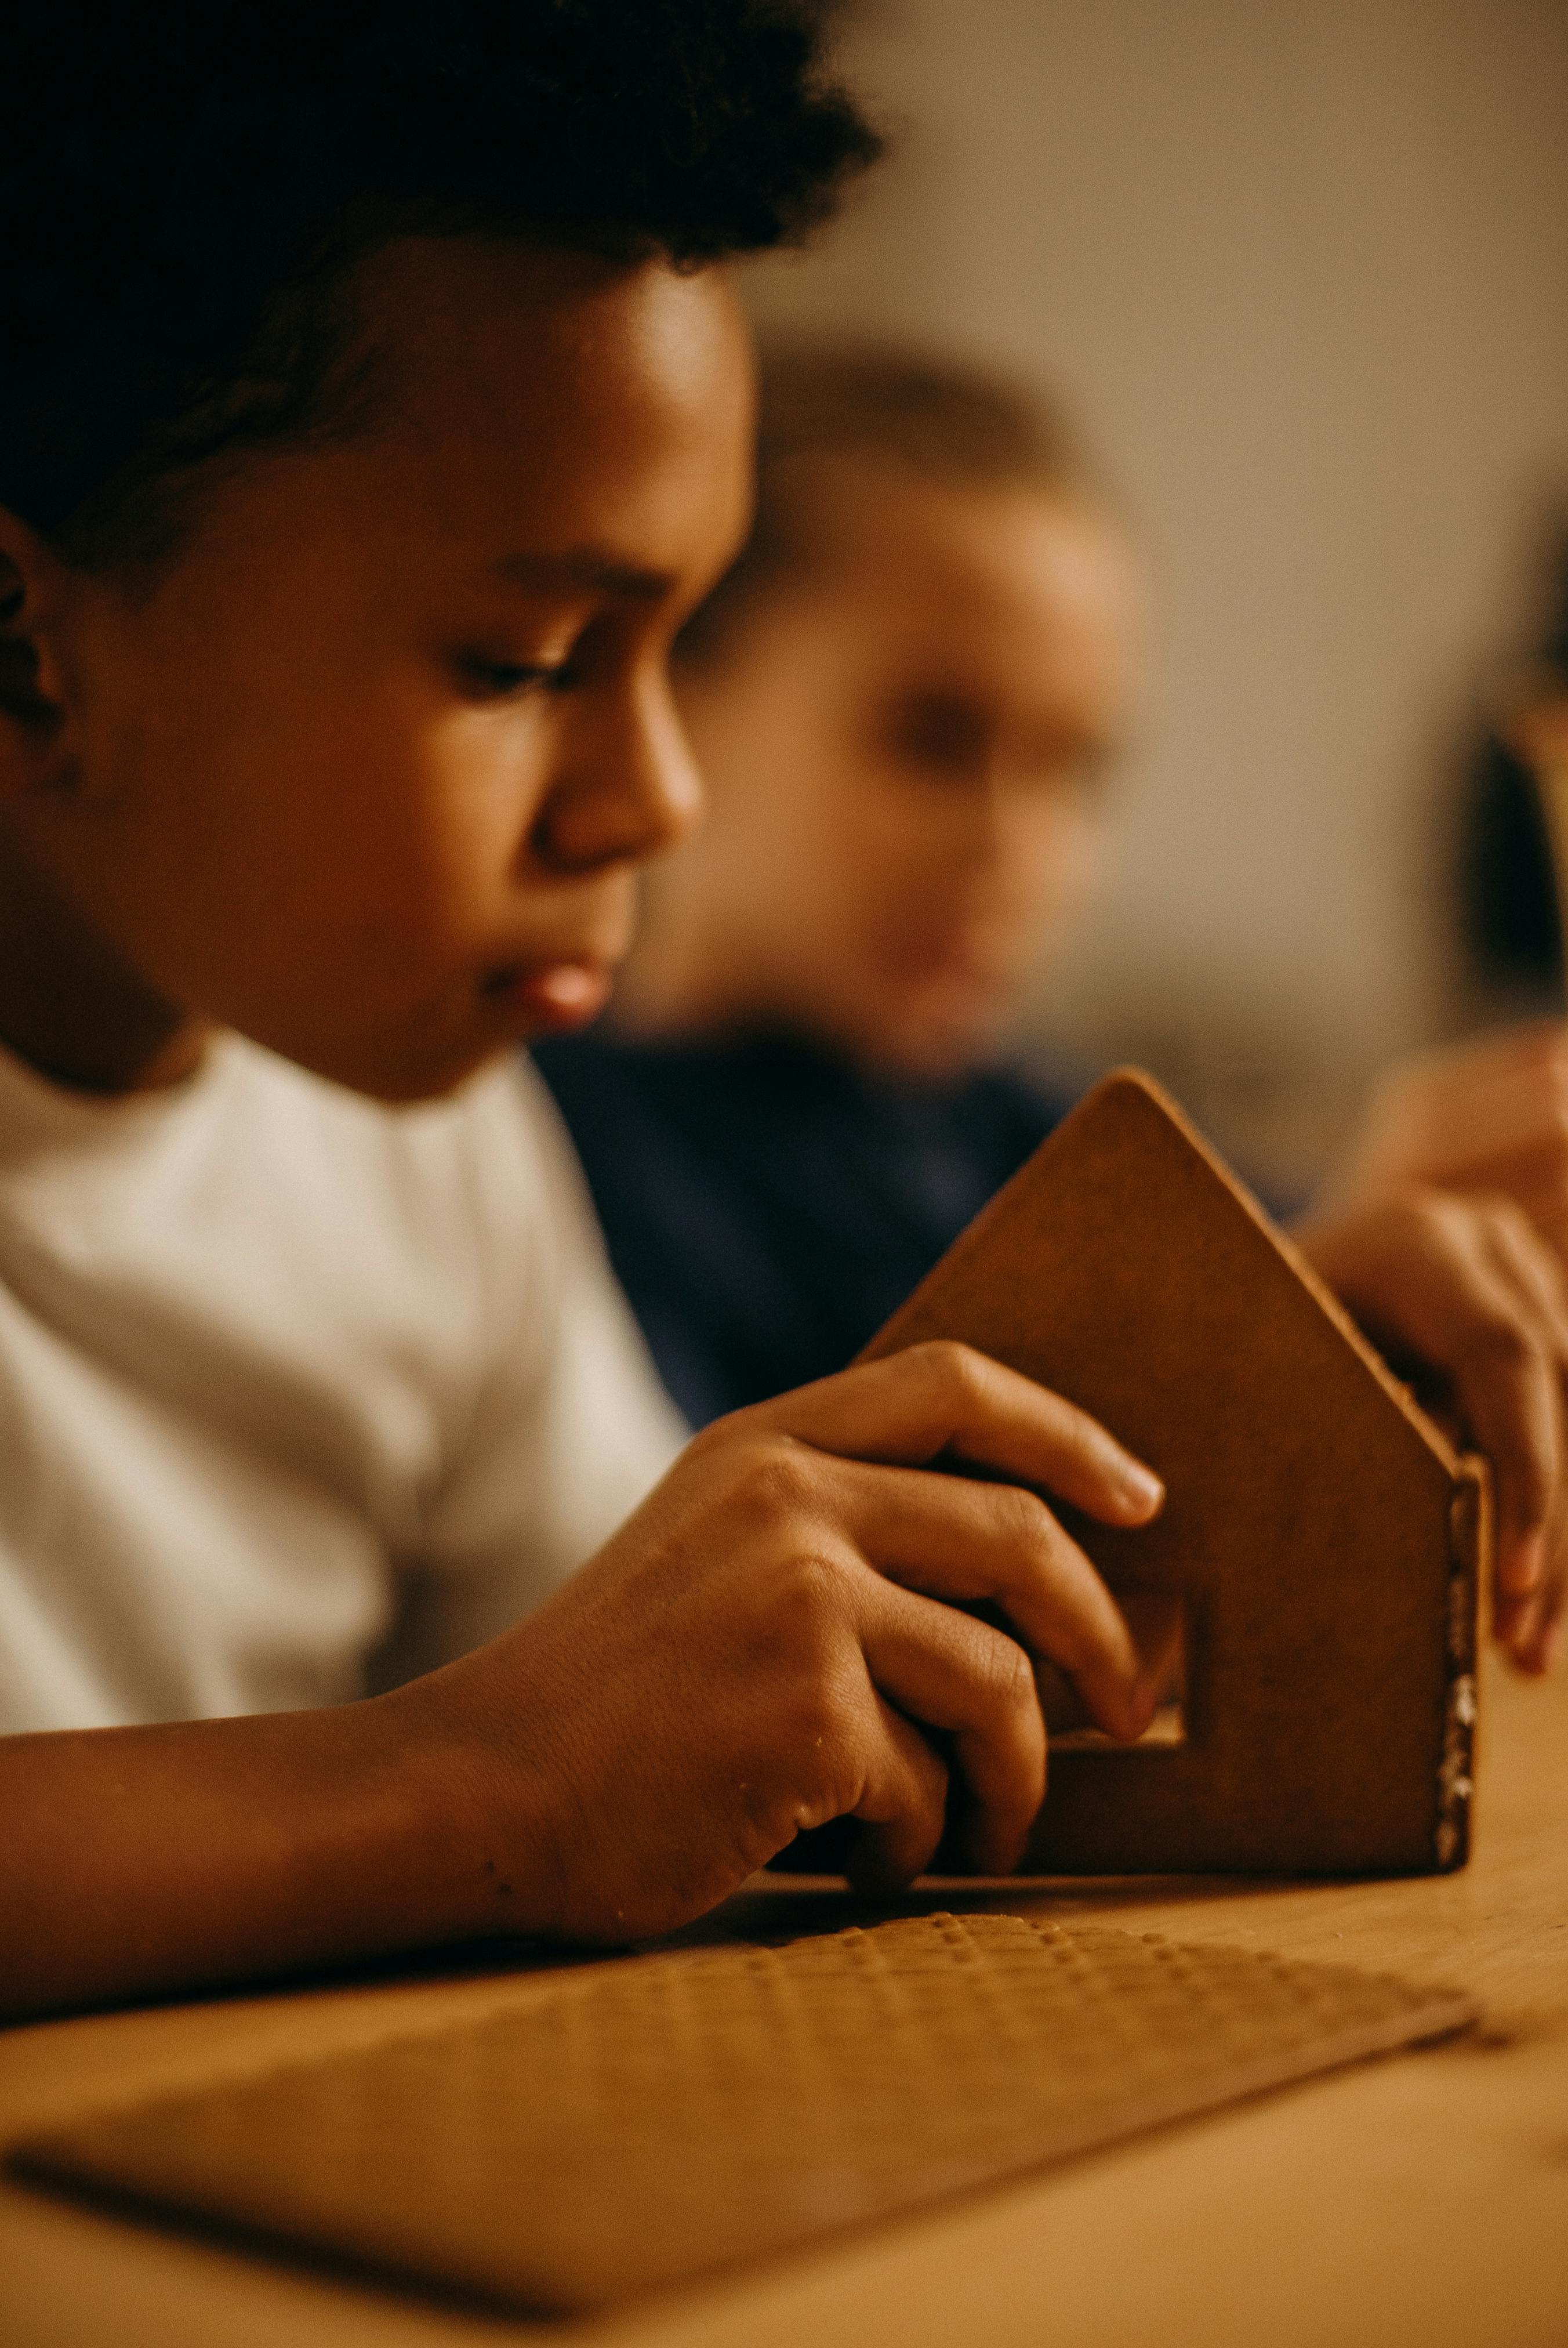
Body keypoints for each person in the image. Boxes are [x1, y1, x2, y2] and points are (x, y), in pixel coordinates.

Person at [2, 8, 1562, 2027]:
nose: (654, 794)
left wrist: (1241, 1401)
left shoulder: (418, 1135)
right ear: (30, 645)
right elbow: (534, 1757)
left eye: (670, 640)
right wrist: (463, 1773)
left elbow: (678, 1707)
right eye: (523, 657)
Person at [535, 338, 1568, 1673]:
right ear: (678, 688)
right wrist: (1253, 1353)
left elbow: (1317, 1251)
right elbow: (718, 1625)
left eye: (1073, 766)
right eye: (931, 736)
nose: (1013, 843)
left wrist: (1380, 1292)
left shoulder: (1028, 1119)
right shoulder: (536, 1156)